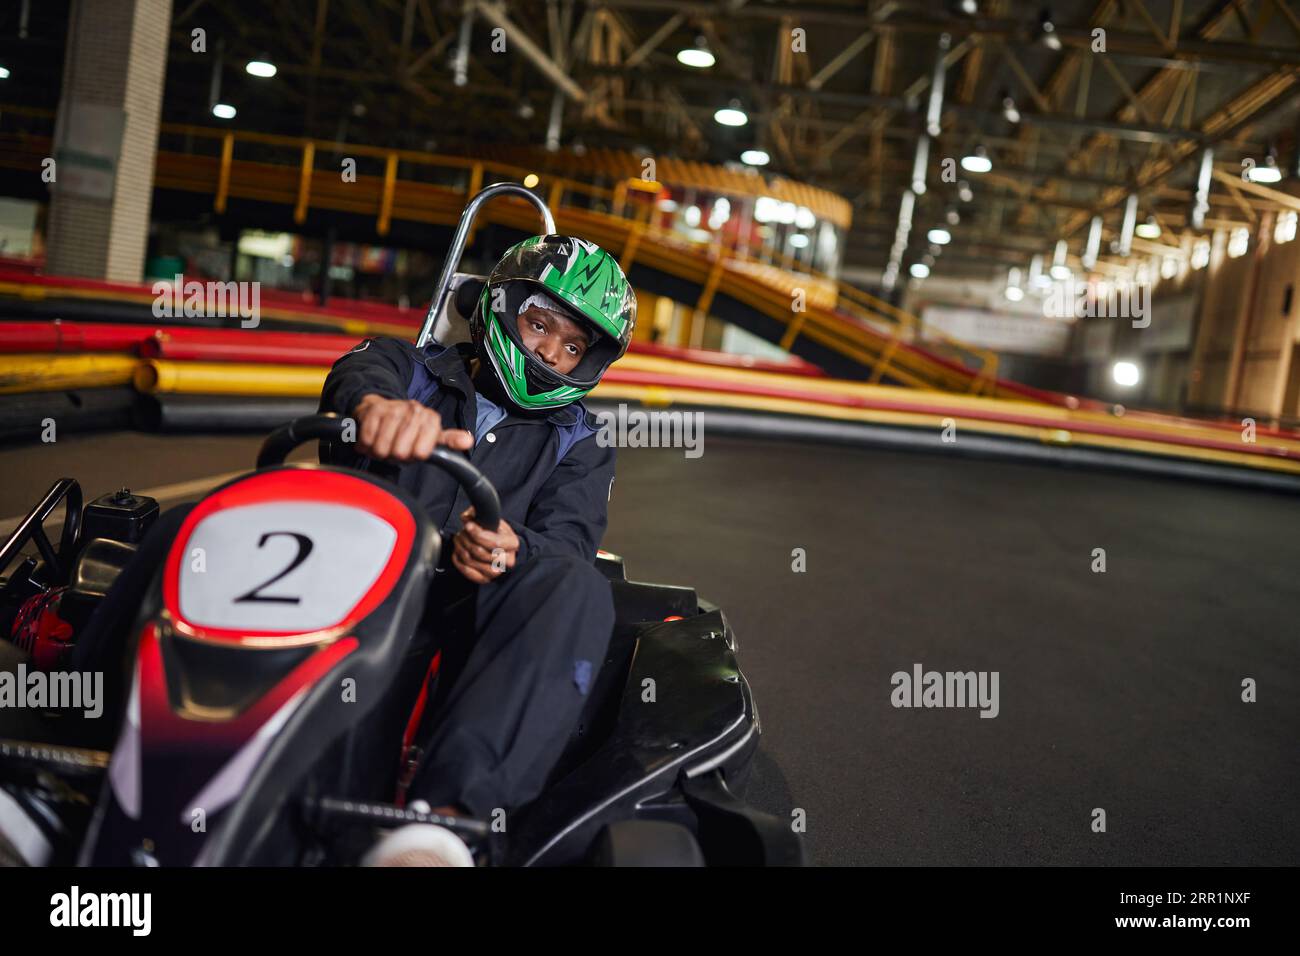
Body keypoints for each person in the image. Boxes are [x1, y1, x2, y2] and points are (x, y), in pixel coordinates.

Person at [320, 235, 636, 865]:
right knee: (204, 520)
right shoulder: (409, 370)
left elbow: (570, 541)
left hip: (467, 610)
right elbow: (358, 374)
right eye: (539, 324)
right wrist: (376, 410)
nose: (549, 351)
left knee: (578, 585)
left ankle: (442, 827)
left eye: (572, 345)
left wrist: (511, 549)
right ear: (502, 304)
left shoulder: (581, 441)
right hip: (346, 578)